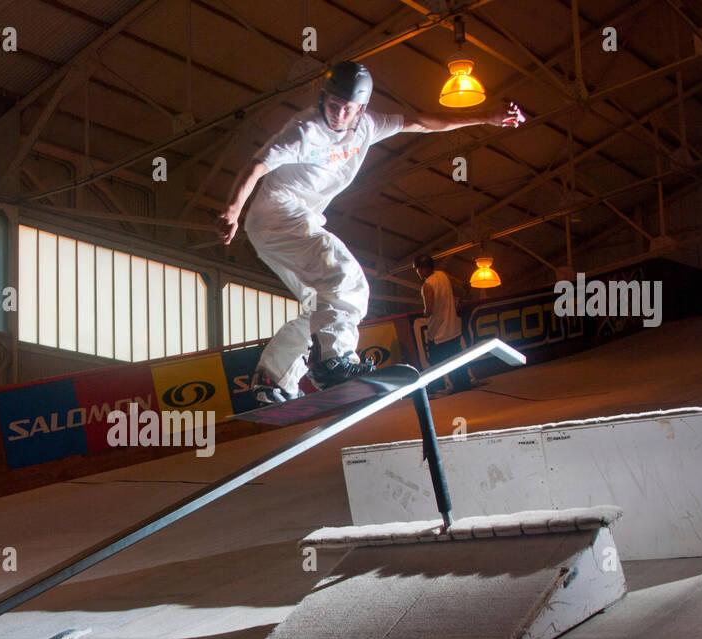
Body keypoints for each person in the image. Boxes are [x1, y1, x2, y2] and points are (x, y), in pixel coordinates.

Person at [217, 61, 525, 404]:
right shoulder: (305, 129)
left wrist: (486, 116)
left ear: (360, 109)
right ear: (323, 99)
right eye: (333, 105)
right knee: (346, 278)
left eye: (347, 109)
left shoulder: (369, 125)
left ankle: (273, 380)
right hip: (279, 216)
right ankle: (334, 361)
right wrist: (233, 207)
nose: (338, 114)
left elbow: (422, 121)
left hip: (290, 224)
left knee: (322, 304)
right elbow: (258, 164)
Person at [415, 254, 472, 395]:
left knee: (439, 361)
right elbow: (463, 284)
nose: (417, 272)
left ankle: (443, 387)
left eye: (417, 269)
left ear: (422, 269)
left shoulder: (427, 285)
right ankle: (464, 383)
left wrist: (423, 313)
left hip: (439, 332)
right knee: (457, 356)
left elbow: (429, 310)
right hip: (453, 327)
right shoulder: (442, 275)